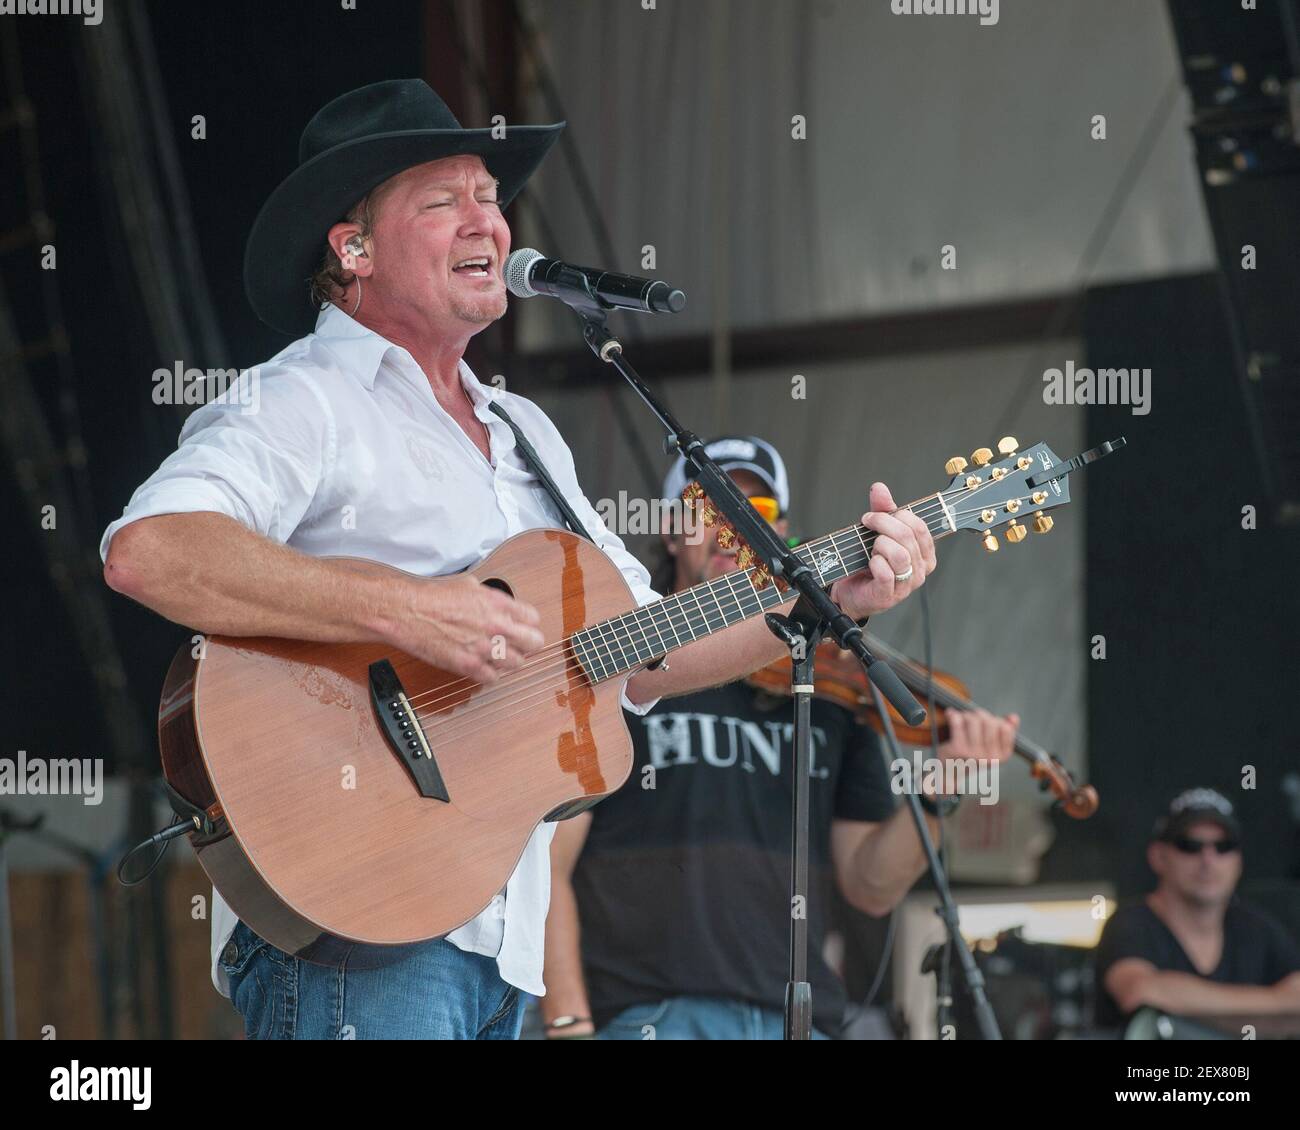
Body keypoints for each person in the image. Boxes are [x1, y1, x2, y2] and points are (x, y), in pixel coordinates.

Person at [99, 81, 936, 1040]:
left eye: (491, 196)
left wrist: (830, 595)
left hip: (502, 944)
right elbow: (151, 552)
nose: (488, 221)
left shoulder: (523, 430)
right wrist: (403, 608)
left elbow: (643, 650)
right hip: (359, 917)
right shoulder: (303, 400)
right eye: (444, 200)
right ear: (353, 249)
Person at [541, 436, 1016, 1040]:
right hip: (649, 1017)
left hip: (799, 1021)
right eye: (704, 508)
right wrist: (568, 1020)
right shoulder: (621, 667)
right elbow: (550, 862)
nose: (728, 528)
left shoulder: (832, 692)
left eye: (756, 514)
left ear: (782, 534)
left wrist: (943, 790)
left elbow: (868, 887)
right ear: (668, 530)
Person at [1095, 787, 1300, 1031]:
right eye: (1189, 846)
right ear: (1158, 856)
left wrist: (1183, 1000)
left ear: (1239, 860)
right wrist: (1273, 1000)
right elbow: (1141, 991)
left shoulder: (1256, 927)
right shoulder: (1131, 923)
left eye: (1223, 846)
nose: (1208, 860)